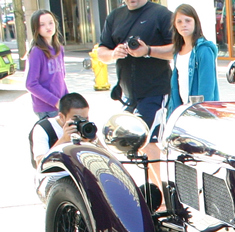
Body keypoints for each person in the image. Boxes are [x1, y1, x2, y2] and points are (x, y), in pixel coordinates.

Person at [96, 0, 174, 191]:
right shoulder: (115, 16)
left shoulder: (161, 14)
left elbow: (177, 49)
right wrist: (115, 53)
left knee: (146, 141)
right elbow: (101, 52)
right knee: (135, 143)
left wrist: (147, 51)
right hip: (127, 94)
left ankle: (164, 194)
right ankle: (157, 190)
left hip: (156, 90)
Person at [167, 4, 219, 116]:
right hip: (183, 111)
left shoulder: (203, 50)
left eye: (188, 20)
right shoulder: (178, 52)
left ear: (196, 22)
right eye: (179, 21)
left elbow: (207, 87)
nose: (183, 25)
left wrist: (201, 113)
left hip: (200, 113)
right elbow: (176, 86)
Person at [31, 92, 95, 168]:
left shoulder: (85, 127)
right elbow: (40, 164)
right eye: (76, 118)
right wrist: (63, 140)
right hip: (55, 176)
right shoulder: (44, 128)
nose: (80, 122)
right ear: (61, 116)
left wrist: (90, 142)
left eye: (85, 118)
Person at [26, 10, 68, 120]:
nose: (48, 27)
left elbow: (61, 78)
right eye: (42, 24)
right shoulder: (37, 51)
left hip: (61, 105)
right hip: (46, 108)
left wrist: (67, 99)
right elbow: (31, 84)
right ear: (36, 28)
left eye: (51, 23)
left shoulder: (59, 49)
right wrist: (55, 101)